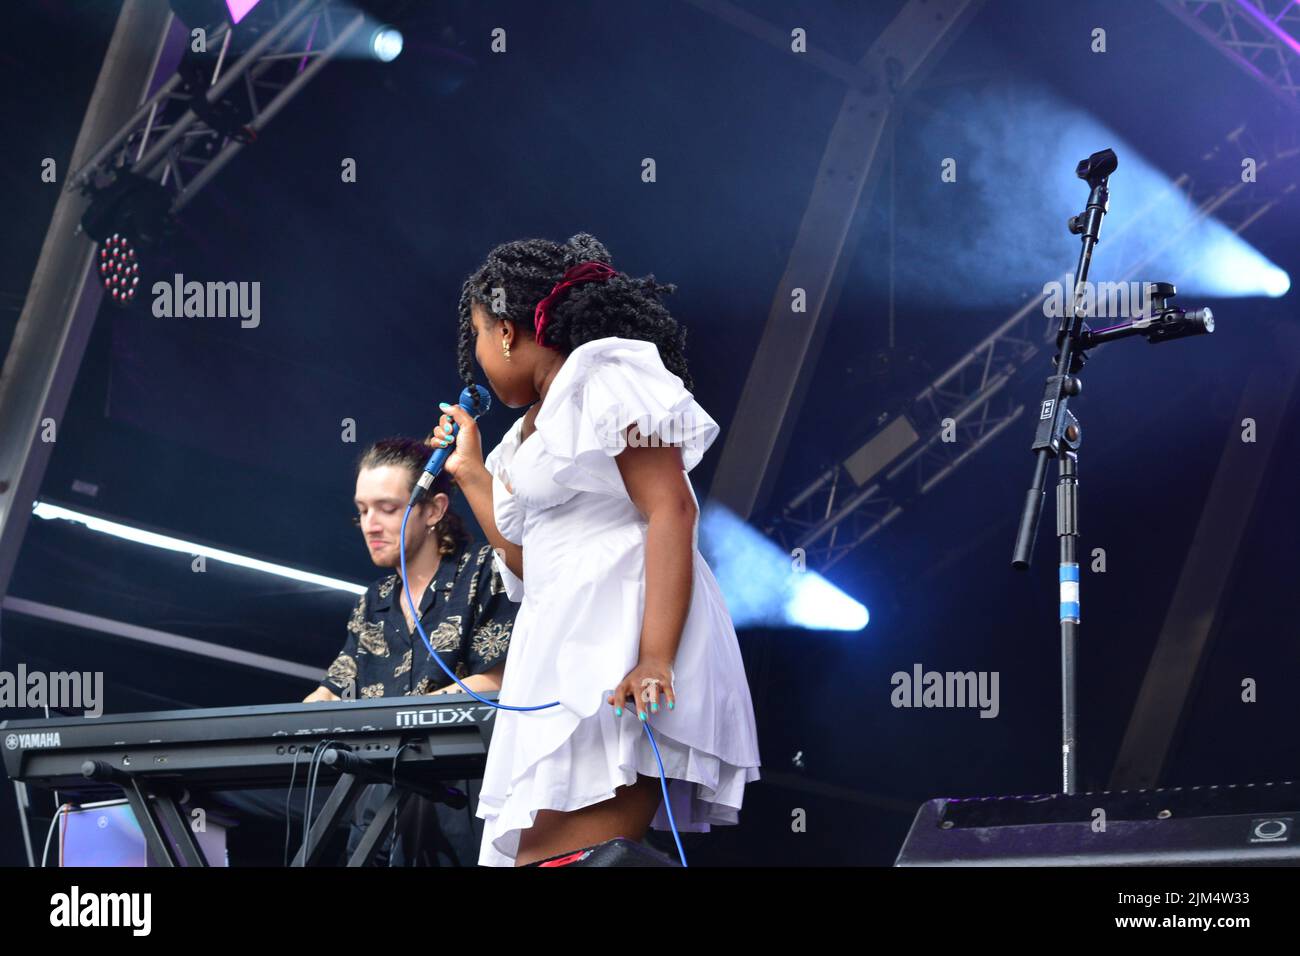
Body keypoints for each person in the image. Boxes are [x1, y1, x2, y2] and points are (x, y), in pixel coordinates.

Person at [430, 232, 761, 866]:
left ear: (505, 330)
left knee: (558, 854)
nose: (474, 351)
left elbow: (672, 507)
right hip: (565, 642)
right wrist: (471, 472)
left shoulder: (602, 375)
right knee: (532, 857)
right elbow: (532, 562)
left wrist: (654, 658)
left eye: (475, 332)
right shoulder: (531, 428)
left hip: (620, 636)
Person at [302, 437, 519, 865]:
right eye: (363, 510)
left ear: (434, 510)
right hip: (380, 804)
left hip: (463, 795)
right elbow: (333, 687)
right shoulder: (374, 600)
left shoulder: (482, 571)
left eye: (387, 508)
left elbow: (496, 680)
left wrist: (408, 713)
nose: (370, 524)